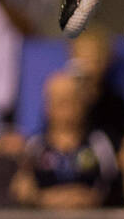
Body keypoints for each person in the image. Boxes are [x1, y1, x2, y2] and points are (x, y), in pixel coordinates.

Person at [17, 71, 118, 210]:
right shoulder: (34, 146)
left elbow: (112, 186)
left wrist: (87, 199)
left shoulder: (99, 143)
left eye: (70, 100)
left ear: (82, 103)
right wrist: (45, 199)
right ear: (47, 106)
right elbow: (23, 189)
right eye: (57, 100)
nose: (64, 107)